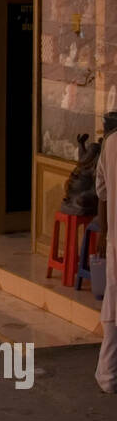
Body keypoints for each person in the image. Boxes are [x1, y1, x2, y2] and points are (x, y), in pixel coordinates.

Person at [94, 124, 117, 393]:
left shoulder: (111, 143)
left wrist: (103, 232)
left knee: (113, 304)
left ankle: (108, 375)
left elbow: (101, 191)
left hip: (114, 241)